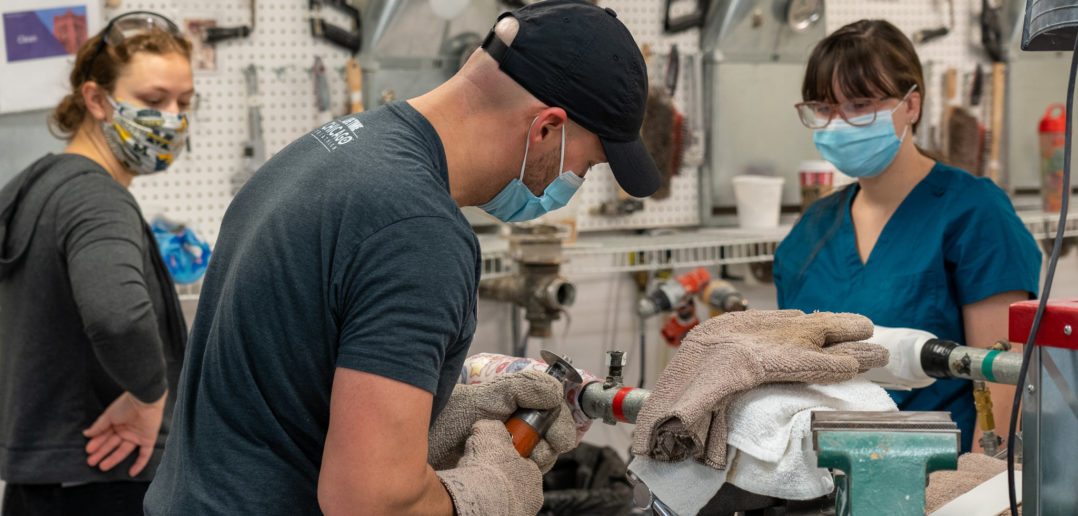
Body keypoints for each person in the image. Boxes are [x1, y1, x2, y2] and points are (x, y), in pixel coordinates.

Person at [144, 1, 660, 515]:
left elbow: (289, 393)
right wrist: (488, 492)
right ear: (546, 127)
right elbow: (370, 503)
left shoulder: (329, 151)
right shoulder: (421, 231)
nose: (571, 184)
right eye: (586, 165)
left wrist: (440, 418)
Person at [773, 19, 1041, 453]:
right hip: (817, 472)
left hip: (938, 474)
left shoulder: (974, 213)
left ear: (910, 106)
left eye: (860, 104)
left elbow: (1002, 378)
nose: (839, 124)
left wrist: (979, 486)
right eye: (824, 108)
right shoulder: (810, 232)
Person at [0, 11, 192, 515]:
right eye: (153, 101)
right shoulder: (96, 199)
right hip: (106, 476)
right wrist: (150, 397)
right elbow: (117, 314)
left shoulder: (37, 187)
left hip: (41, 479)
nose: (173, 118)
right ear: (95, 100)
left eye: (184, 102)